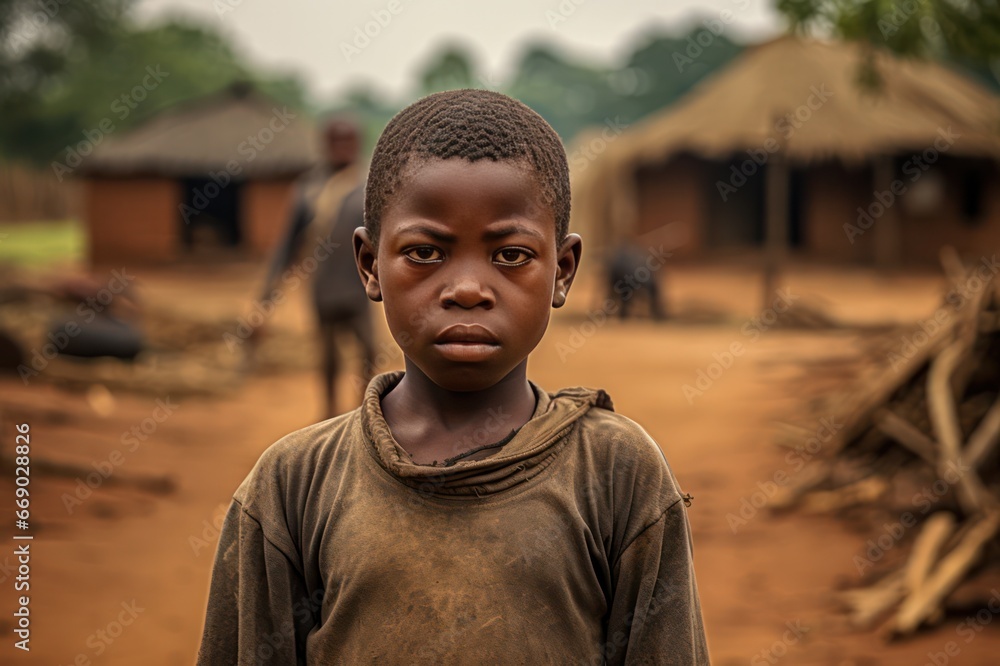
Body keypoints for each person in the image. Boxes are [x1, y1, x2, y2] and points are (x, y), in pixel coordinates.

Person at [197, 89, 709, 664]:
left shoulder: (618, 474)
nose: (467, 289)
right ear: (369, 264)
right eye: (425, 253)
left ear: (563, 271)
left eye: (511, 255)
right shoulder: (292, 486)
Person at [254, 117, 375, 418]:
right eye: (336, 140)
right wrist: (267, 295)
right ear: (325, 143)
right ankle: (330, 414)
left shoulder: (370, 187)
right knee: (328, 356)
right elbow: (287, 246)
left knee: (369, 350)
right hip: (323, 287)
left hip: (361, 287)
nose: (342, 147)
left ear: (358, 143)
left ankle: (364, 412)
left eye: (348, 141)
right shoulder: (307, 189)